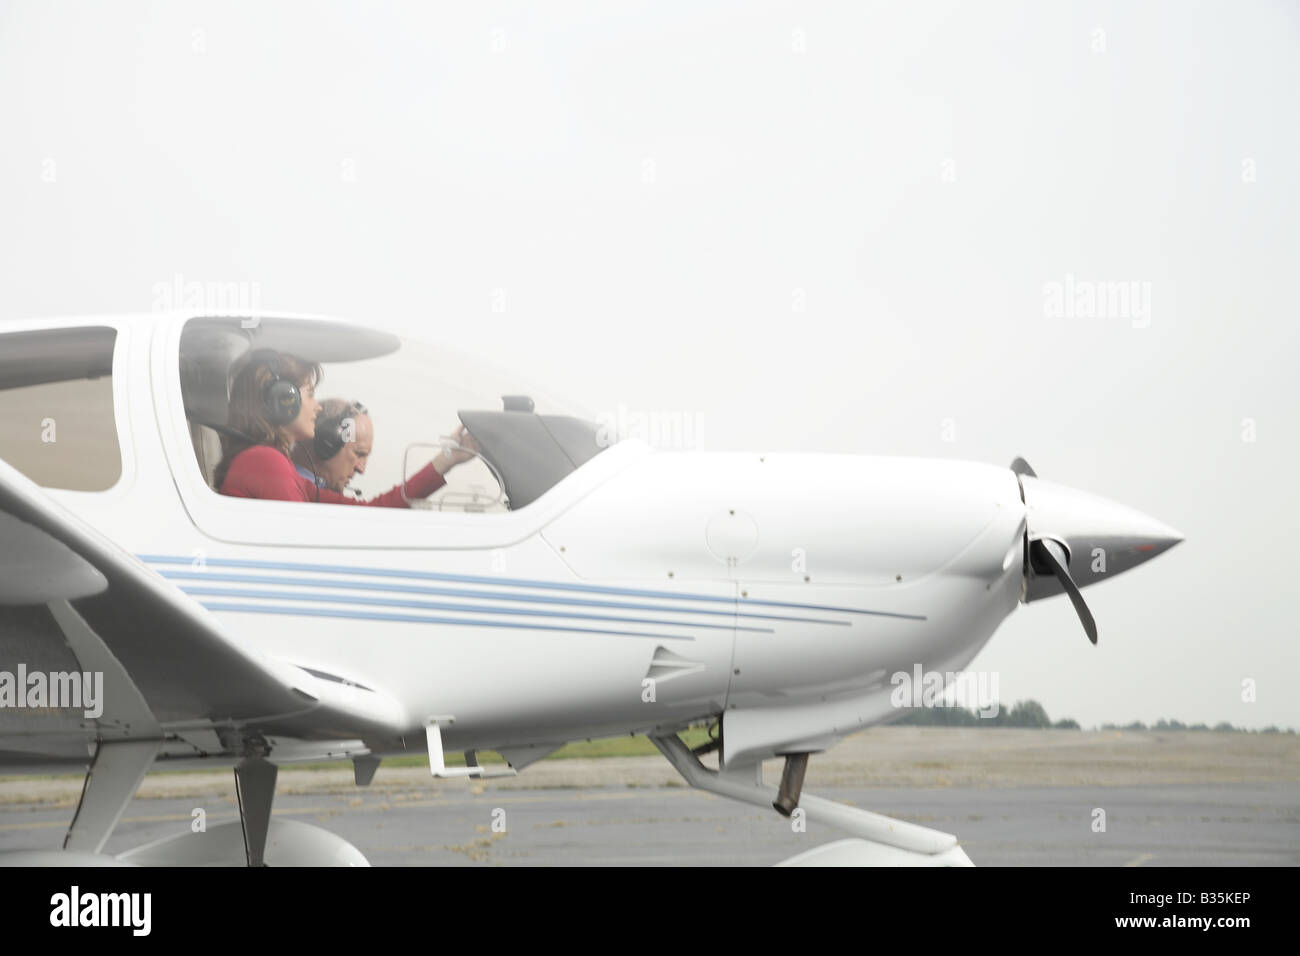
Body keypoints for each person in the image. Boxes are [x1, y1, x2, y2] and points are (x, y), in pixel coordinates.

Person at [214, 350, 475, 506]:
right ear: (283, 401)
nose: (316, 407)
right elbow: (301, 554)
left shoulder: (273, 465)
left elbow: (373, 511)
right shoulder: (265, 463)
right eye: (310, 394)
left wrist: (447, 459)